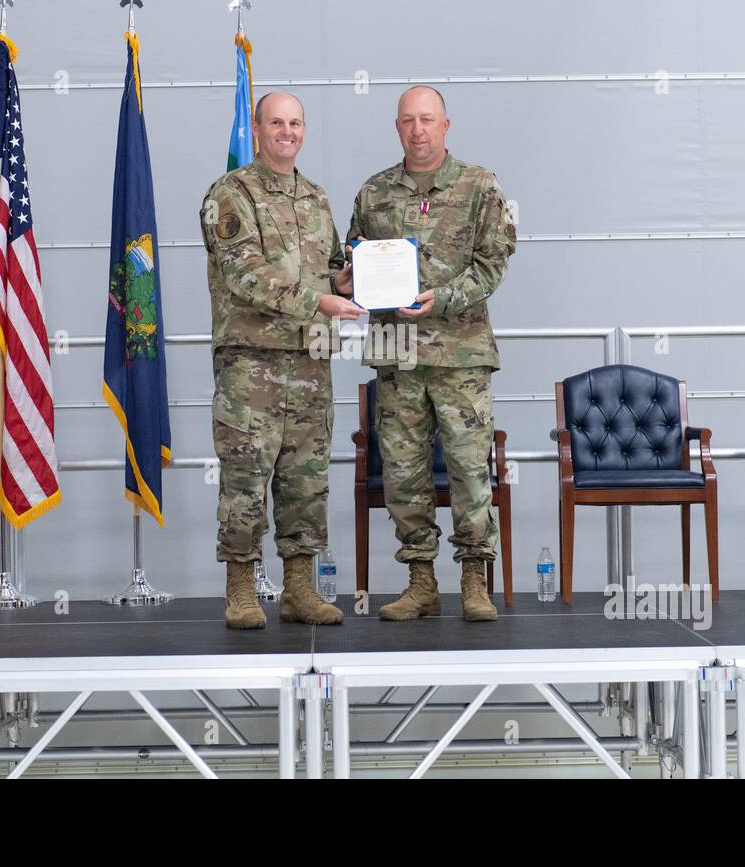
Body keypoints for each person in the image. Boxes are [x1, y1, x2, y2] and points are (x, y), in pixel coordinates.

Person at [346, 86, 516, 622]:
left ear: (446, 125)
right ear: (397, 128)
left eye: (427, 120)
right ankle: (420, 581)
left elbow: (493, 263)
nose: (417, 130)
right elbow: (350, 260)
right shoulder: (374, 193)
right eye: (407, 121)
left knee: (469, 469)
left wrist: (443, 299)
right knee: (403, 472)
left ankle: (473, 580)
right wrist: (348, 278)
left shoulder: (478, 185)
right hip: (396, 353)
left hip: (461, 354)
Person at [200, 92, 361, 629]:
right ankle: (241, 589)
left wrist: (355, 280)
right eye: (276, 122)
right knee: (246, 477)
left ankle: (298, 588)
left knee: (306, 478)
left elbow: (333, 268)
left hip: (311, 359)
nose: (286, 131)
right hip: (252, 362)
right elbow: (241, 272)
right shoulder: (231, 194)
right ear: (258, 128)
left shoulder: (315, 198)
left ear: (304, 130)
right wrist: (320, 300)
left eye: (295, 123)